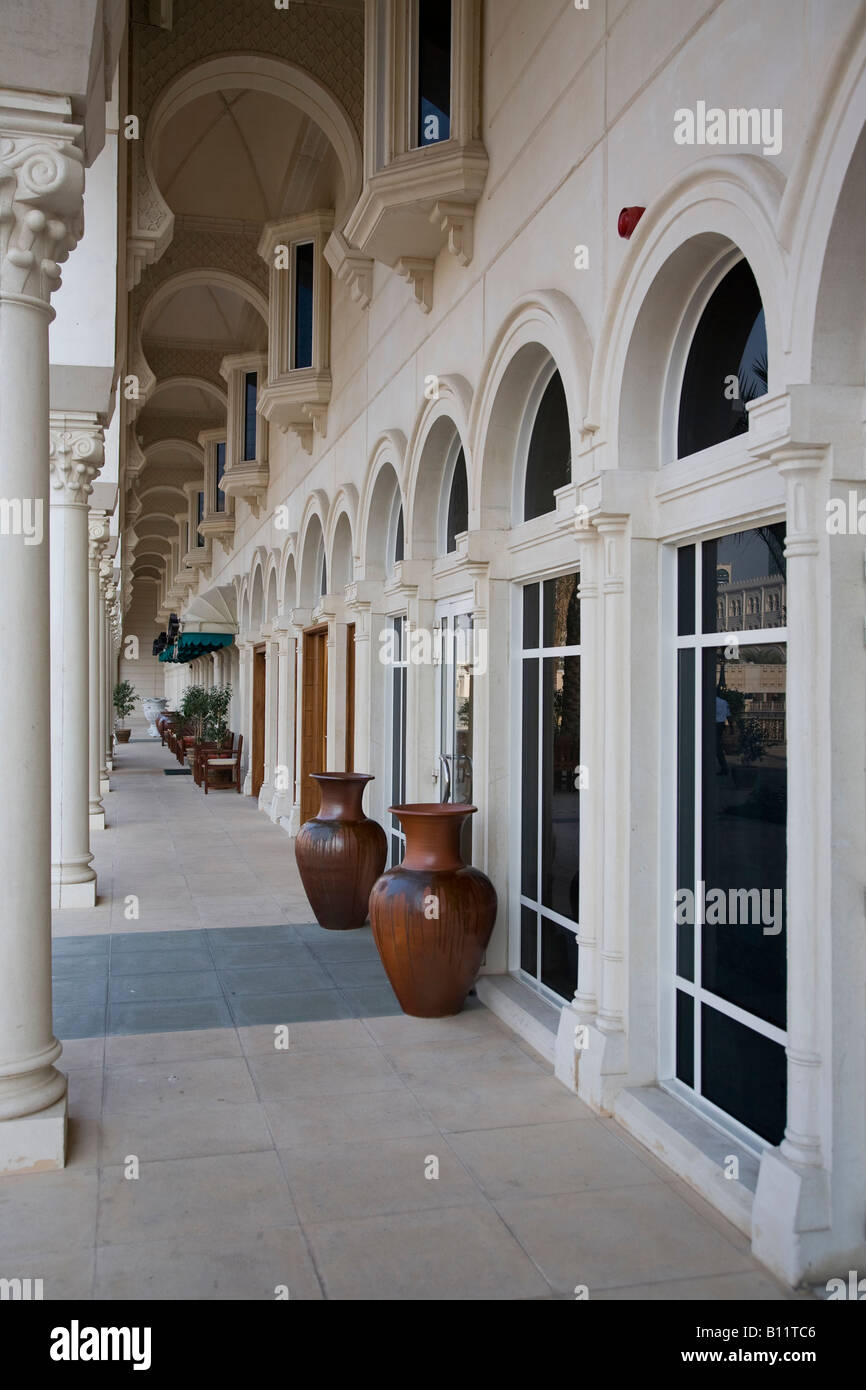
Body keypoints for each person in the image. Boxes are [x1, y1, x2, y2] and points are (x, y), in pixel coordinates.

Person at [715, 688, 731, 775]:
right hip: (721, 725)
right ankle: (724, 767)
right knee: (718, 746)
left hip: (713, 725)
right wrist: (731, 727)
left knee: (716, 747)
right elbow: (728, 715)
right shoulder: (724, 702)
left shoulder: (710, 701)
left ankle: (724, 768)